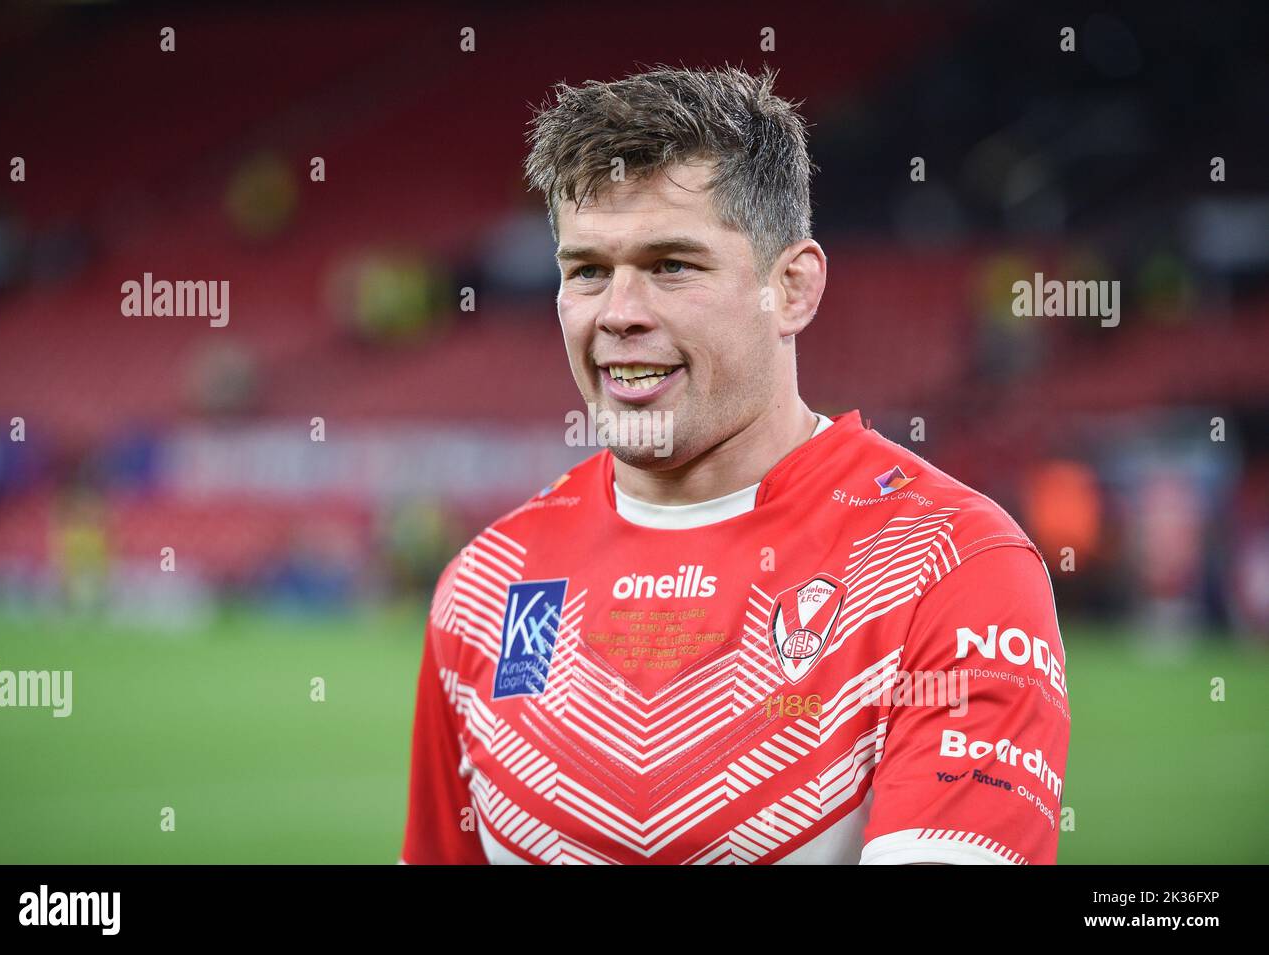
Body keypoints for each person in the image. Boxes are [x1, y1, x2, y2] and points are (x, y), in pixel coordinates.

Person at [400, 65, 1069, 864]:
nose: (619, 314)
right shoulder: (487, 586)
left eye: (672, 265)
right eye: (587, 271)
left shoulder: (946, 566)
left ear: (792, 288)